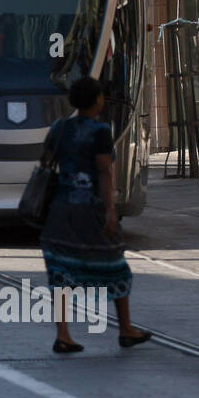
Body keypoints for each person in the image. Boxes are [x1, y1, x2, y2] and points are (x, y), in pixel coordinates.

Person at [37, 75, 151, 354]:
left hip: (61, 211)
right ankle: (125, 328)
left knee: (61, 270)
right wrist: (111, 210)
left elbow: (46, 162)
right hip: (90, 209)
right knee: (115, 266)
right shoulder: (100, 131)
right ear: (97, 100)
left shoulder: (59, 128)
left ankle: (63, 334)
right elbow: (104, 171)